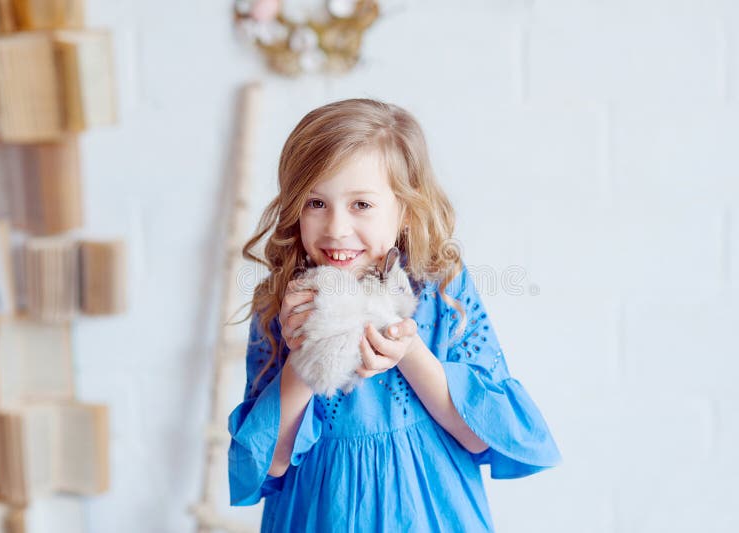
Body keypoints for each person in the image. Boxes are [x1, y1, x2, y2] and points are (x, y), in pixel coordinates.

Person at [227, 98, 562, 532]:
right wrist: (302, 361)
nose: (336, 228)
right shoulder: (281, 305)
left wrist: (409, 350)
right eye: (316, 202)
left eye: (361, 204)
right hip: (319, 514)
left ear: (404, 209)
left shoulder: (444, 293)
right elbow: (268, 463)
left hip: (429, 511)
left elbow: (480, 435)